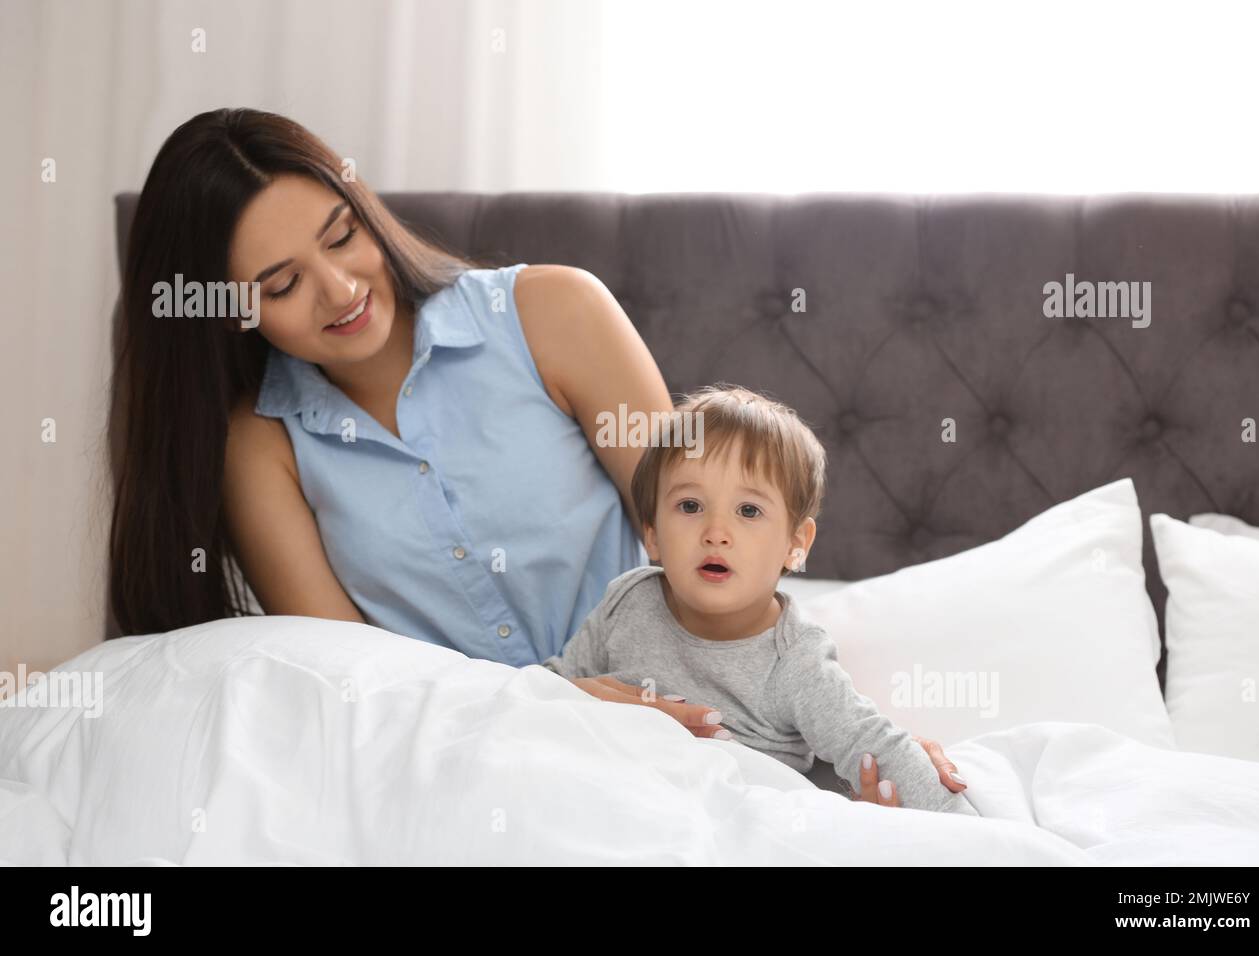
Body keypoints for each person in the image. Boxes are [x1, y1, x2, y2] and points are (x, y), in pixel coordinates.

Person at [109, 108, 966, 806]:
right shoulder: (262, 450)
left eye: (342, 235)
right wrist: (544, 708)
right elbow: (355, 683)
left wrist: (849, 734)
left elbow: (711, 542)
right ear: (226, 311)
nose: (340, 289)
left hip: (676, 733)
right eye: (282, 284)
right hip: (469, 765)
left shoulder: (552, 313)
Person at [543, 386, 976, 810]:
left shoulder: (794, 661)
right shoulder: (628, 601)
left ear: (796, 543)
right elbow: (543, 690)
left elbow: (870, 744)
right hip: (614, 803)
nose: (716, 531)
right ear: (652, 533)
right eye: (690, 506)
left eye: (748, 511)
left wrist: (966, 828)